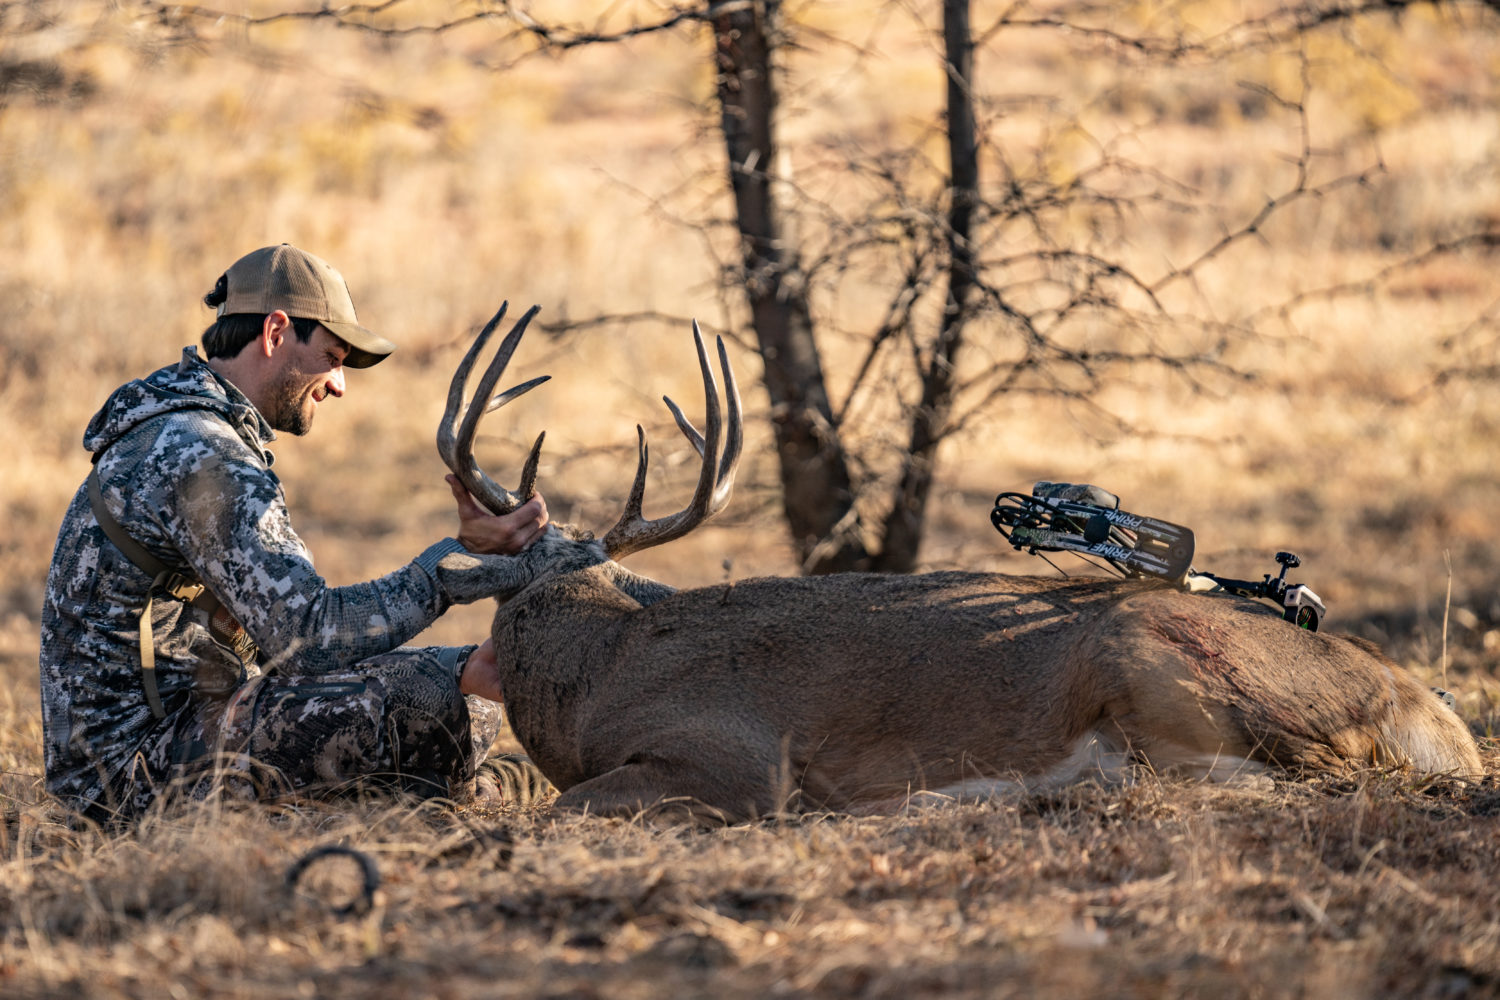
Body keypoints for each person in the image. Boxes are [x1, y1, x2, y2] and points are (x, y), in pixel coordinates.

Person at [39, 244, 550, 821]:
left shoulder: (179, 433)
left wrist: (456, 647)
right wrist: (452, 572)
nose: (339, 384)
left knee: (463, 686)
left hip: (153, 744)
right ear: (276, 332)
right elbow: (309, 636)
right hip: (127, 780)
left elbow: (286, 643)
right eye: (332, 357)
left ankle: (443, 787)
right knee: (441, 702)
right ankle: (485, 789)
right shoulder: (203, 457)